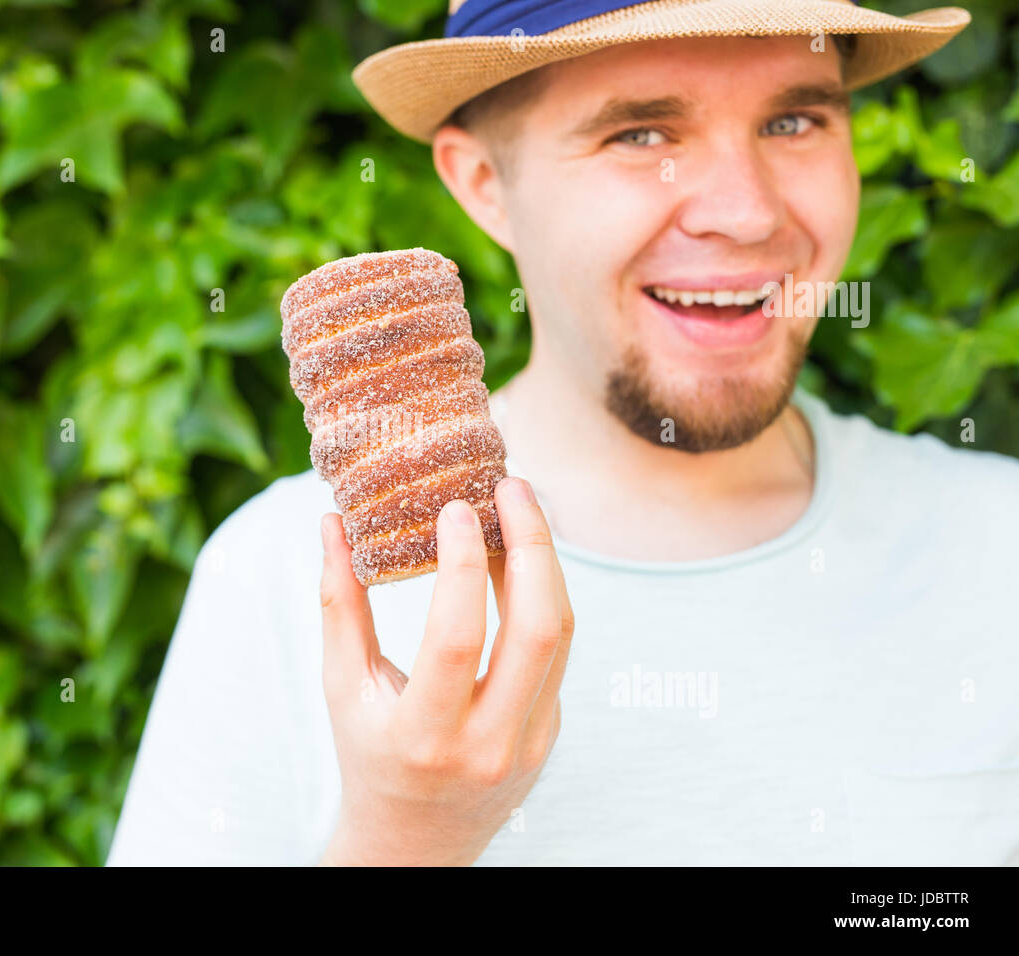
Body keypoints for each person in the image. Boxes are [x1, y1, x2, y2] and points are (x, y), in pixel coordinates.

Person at [108, 0, 1019, 866]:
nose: (745, 213)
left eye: (795, 122)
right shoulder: (276, 576)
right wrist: (406, 839)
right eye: (641, 134)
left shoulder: (998, 545)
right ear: (483, 186)